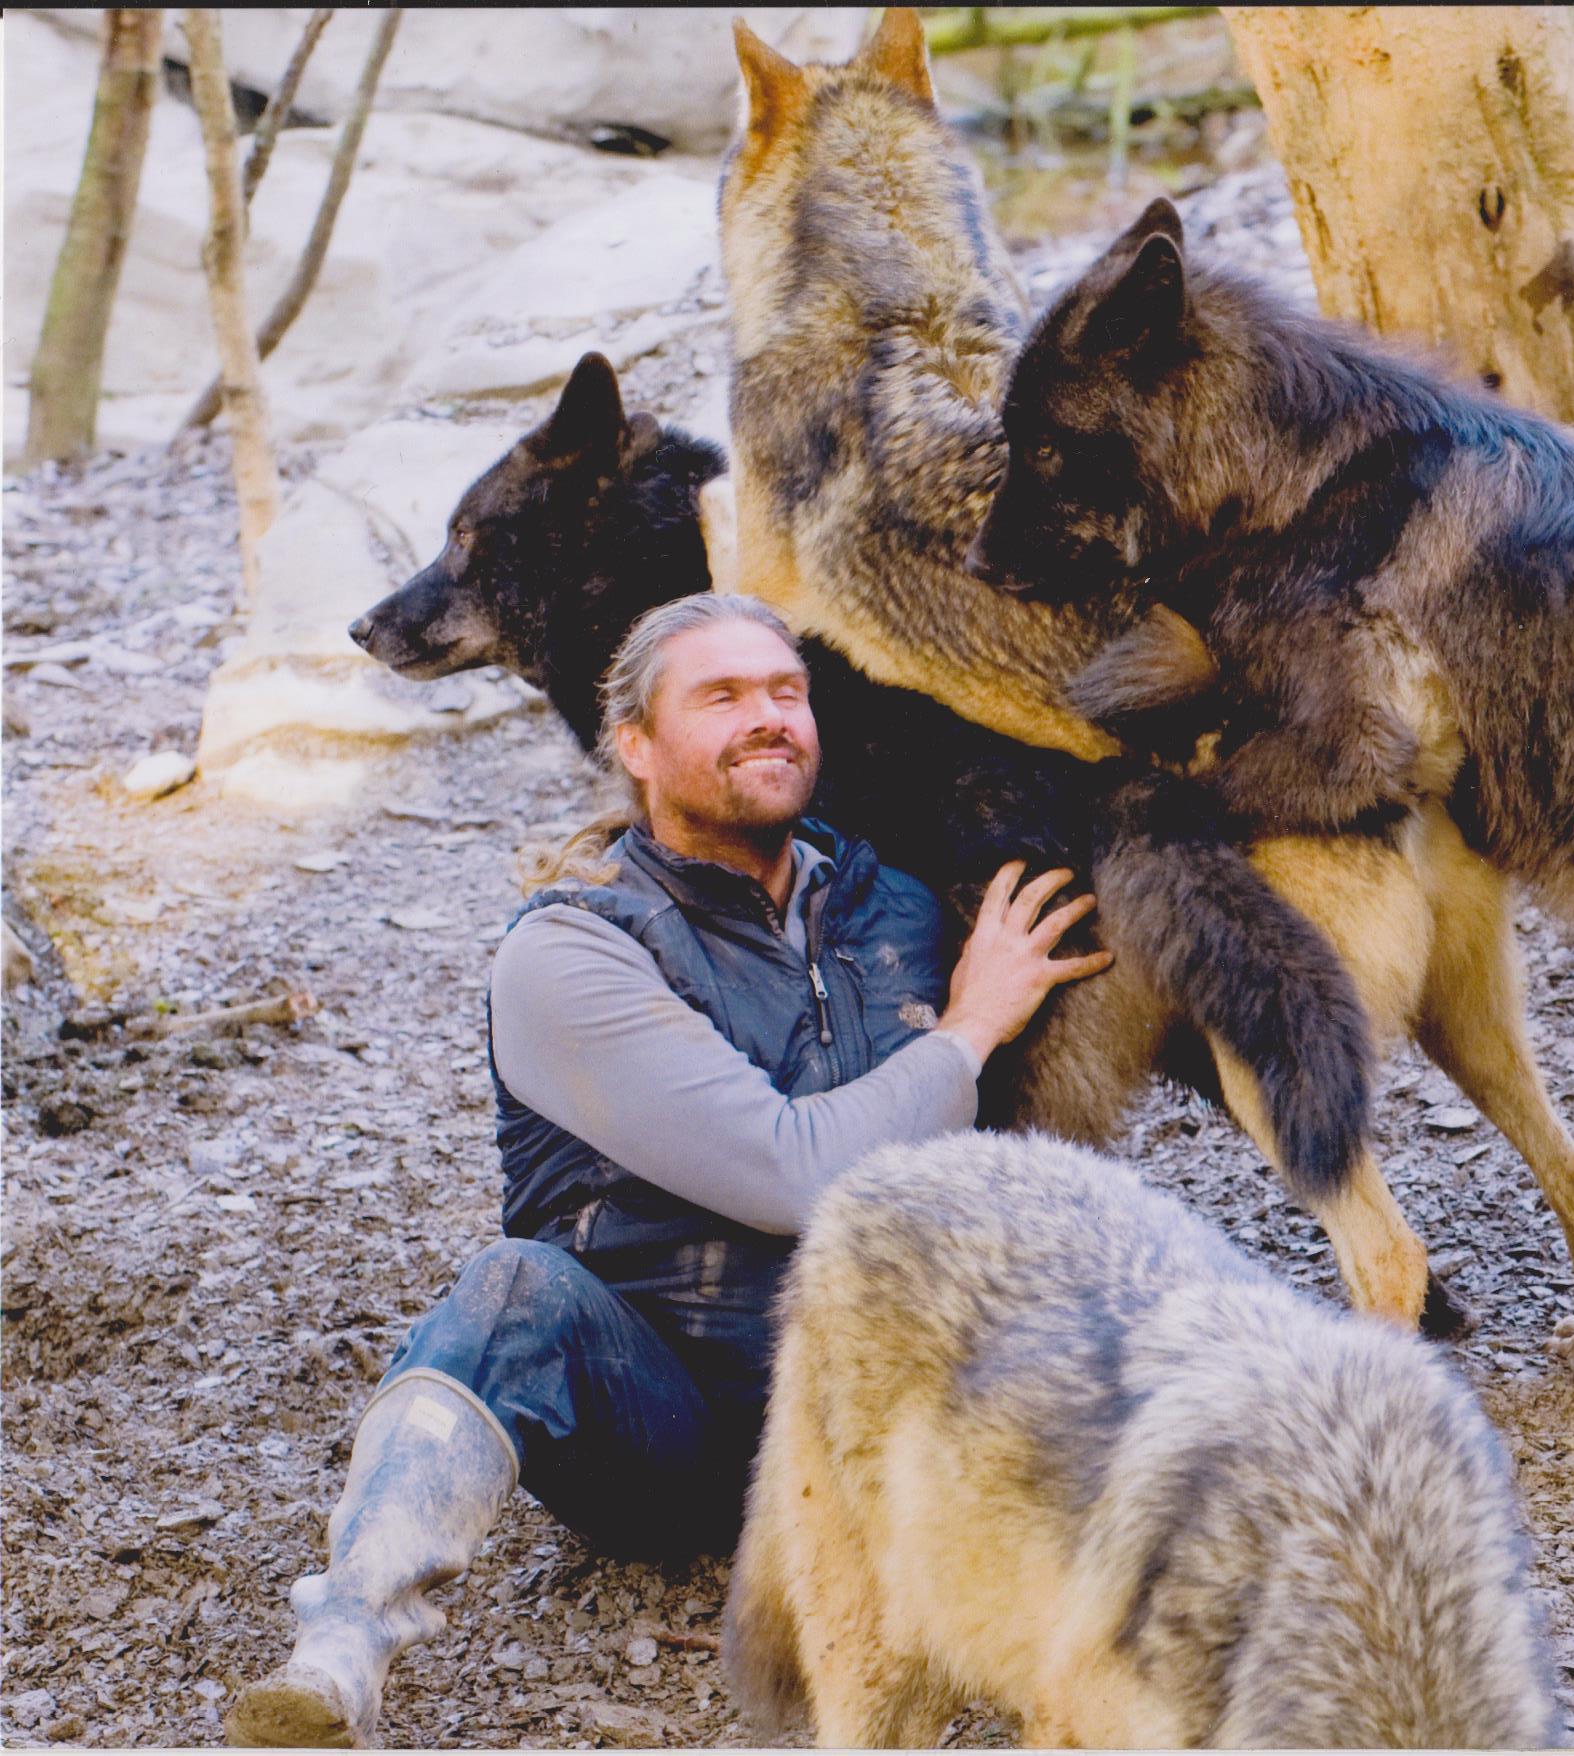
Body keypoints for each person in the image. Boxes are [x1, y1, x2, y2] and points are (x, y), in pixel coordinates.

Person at [228, 595, 1111, 1747]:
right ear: (634, 747)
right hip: (670, 1423)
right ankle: (342, 1640)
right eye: (722, 697)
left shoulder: (896, 904)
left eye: (785, 693)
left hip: (882, 1413)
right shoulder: (571, 950)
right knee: (513, 1291)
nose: (768, 719)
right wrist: (968, 1028)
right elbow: (796, 1174)